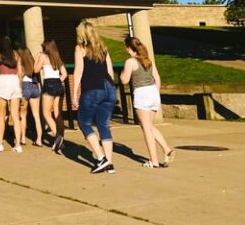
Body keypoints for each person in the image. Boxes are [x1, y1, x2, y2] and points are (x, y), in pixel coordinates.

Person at [119, 37, 175, 168]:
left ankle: (153, 161)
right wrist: (155, 93)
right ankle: (167, 150)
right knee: (149, 126)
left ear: (128, 48)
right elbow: (157, 78)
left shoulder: (130, 62)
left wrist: (122, 73)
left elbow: (124, 80)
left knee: (146, 129)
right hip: (153, 92)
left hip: (141, 94)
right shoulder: (148, 60)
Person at [72, 21, 117, 174]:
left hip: (92, 88)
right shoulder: (103, 48)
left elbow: (78, 71)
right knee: (104, 125)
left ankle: (100, 158)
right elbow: (110, 71)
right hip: (109, 88)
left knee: (84, 122)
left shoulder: (80, 49)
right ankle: (109, 163)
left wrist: (74, 93)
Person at [34, 39, 68, 152]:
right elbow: (65, 74)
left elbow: (35, 69)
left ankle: (57, 136)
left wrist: (38, 58)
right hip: (58, 84)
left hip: (49, 84)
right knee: (57, 113)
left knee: (46, 113)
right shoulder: (57, 58)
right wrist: (59, 80)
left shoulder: (43, 57)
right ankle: (62, 138)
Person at [0, 37, 23, 153]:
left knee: (1, 115)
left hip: (3, 81)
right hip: (15, 81)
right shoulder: (16, 54)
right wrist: (20, 88)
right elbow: (20, 73)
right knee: (15, 116)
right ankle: (18, 145)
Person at [17, 47, 42, 147]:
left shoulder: (20, 63)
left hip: (25, 86)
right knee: (36, 115)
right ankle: (39, 139)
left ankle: (23, 138)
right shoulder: (33, 63)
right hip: (35, 86)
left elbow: (19, 77)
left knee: (23, 115)